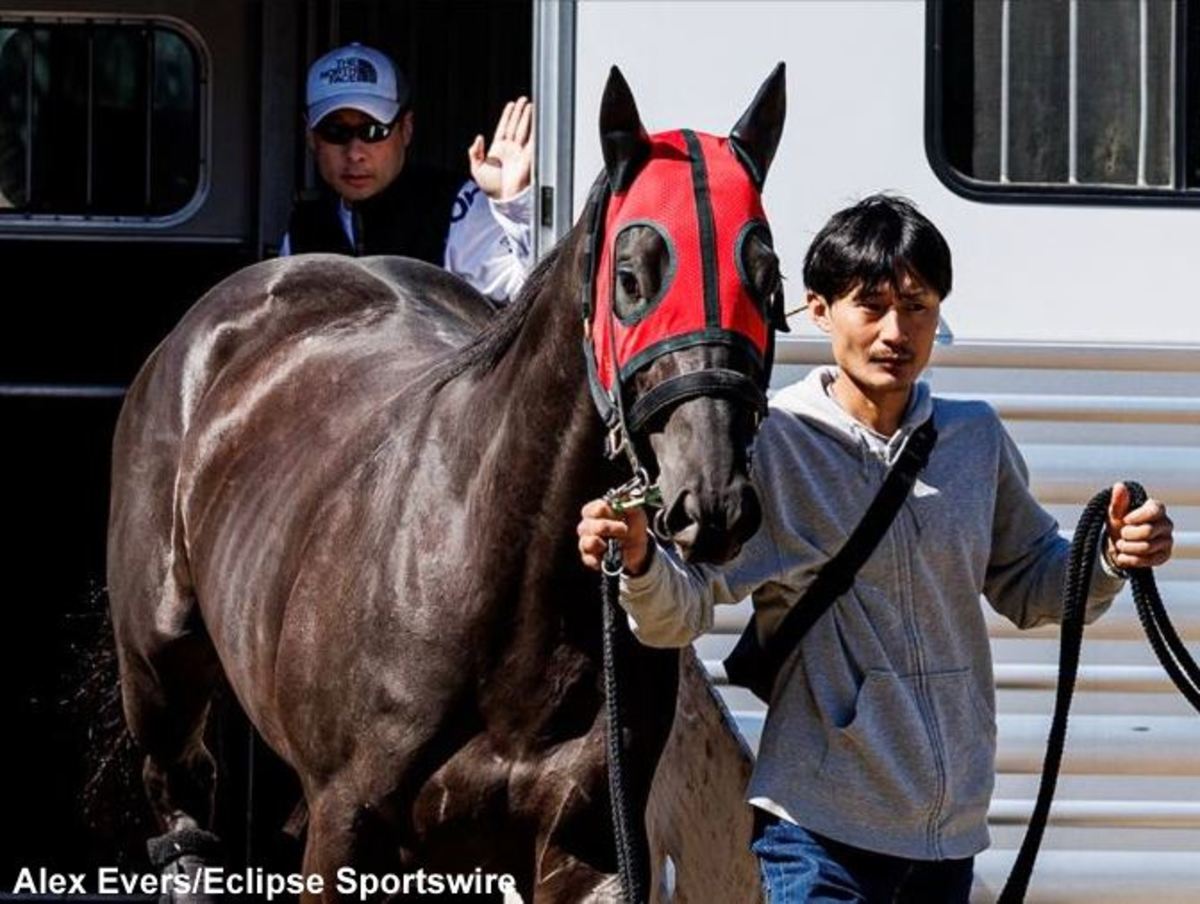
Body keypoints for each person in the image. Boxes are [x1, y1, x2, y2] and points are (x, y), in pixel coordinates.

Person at [576, 195, 1176, 903]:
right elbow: (683, 610)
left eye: (918, 305)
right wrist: (642, 564)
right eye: (872, 305)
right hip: (819, 839)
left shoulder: (973, 439)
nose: (897, 330)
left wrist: (1107, 553)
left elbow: (1030, 585)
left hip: (948, 840)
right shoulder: (772, 448)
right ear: (819, 311)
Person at [280, 42, 534, 303]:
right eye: (336, 132)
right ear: (310, 136)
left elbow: (537, 293)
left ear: (406, 129)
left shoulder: (454, 208)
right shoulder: (305, 226)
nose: (355, 152)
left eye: (373, 131)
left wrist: (514, 203)